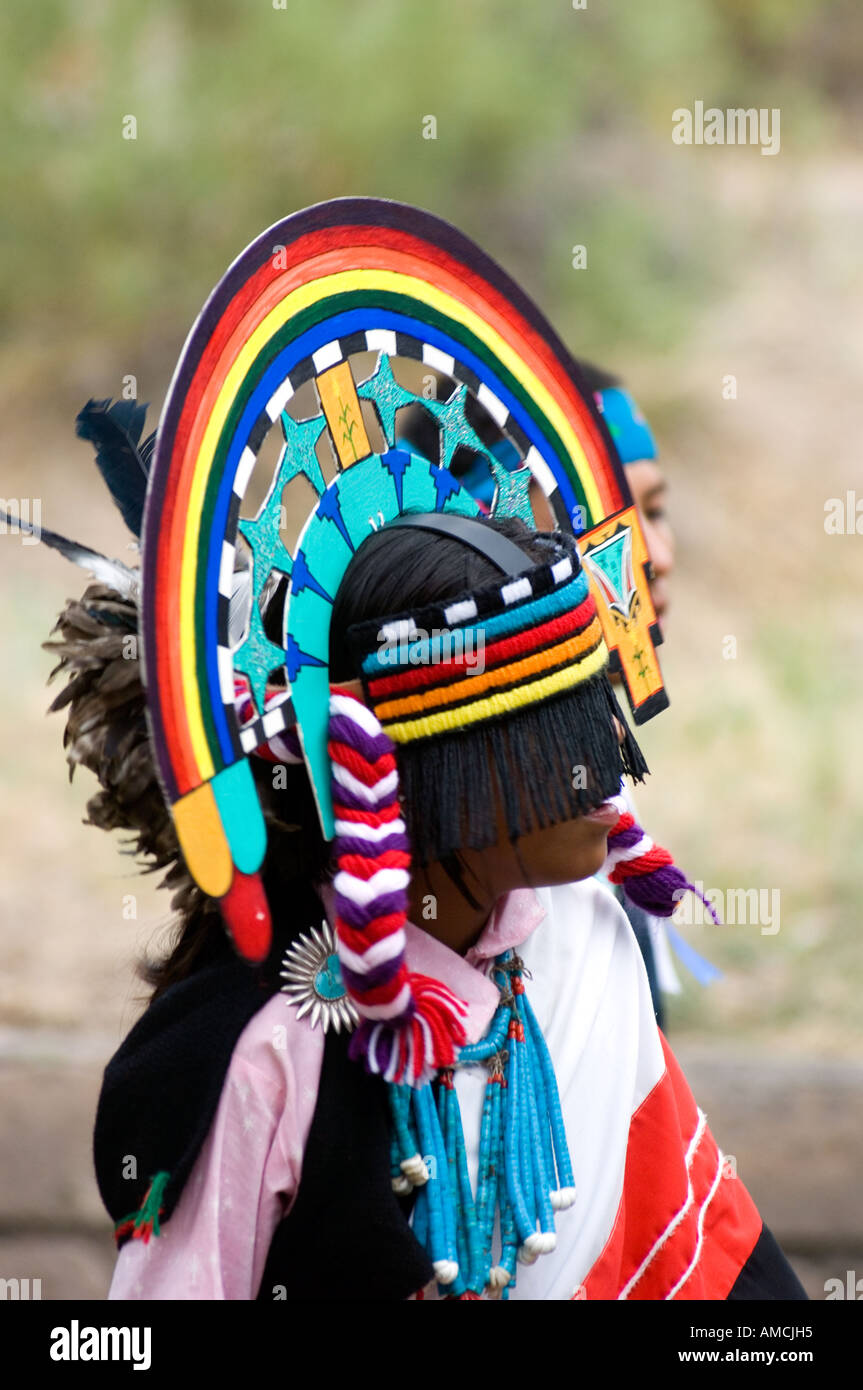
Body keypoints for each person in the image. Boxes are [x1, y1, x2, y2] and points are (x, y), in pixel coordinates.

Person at [30, 200, 806, 1299]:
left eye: (603, 728)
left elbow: (707, 1266)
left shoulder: (588, 937)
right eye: (556, 741)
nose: (613, 780)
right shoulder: (268, 1058)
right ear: (426, 779)